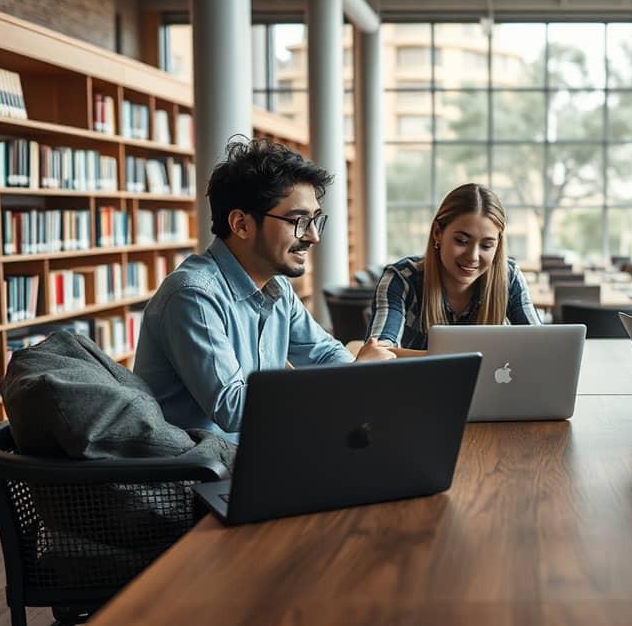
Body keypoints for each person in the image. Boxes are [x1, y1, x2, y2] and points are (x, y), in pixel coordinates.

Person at [134, 138, 394, 441]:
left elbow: (323, 354)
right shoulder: (193, 295)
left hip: (257, 453)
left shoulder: (277, 287)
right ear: (241, 225)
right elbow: (233, 408)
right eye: (298, 221)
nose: (313, 237)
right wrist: (354, 378)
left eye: (315, 221)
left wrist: (356, 374)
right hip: (198, 473)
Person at [368, 183, 541, 355]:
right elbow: (378, 354)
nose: (473, 256)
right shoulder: (401, 279)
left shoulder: (508, 277)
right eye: (462, 241)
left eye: (487, 245)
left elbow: (541, 345)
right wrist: (477, 359)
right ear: (438, 233)